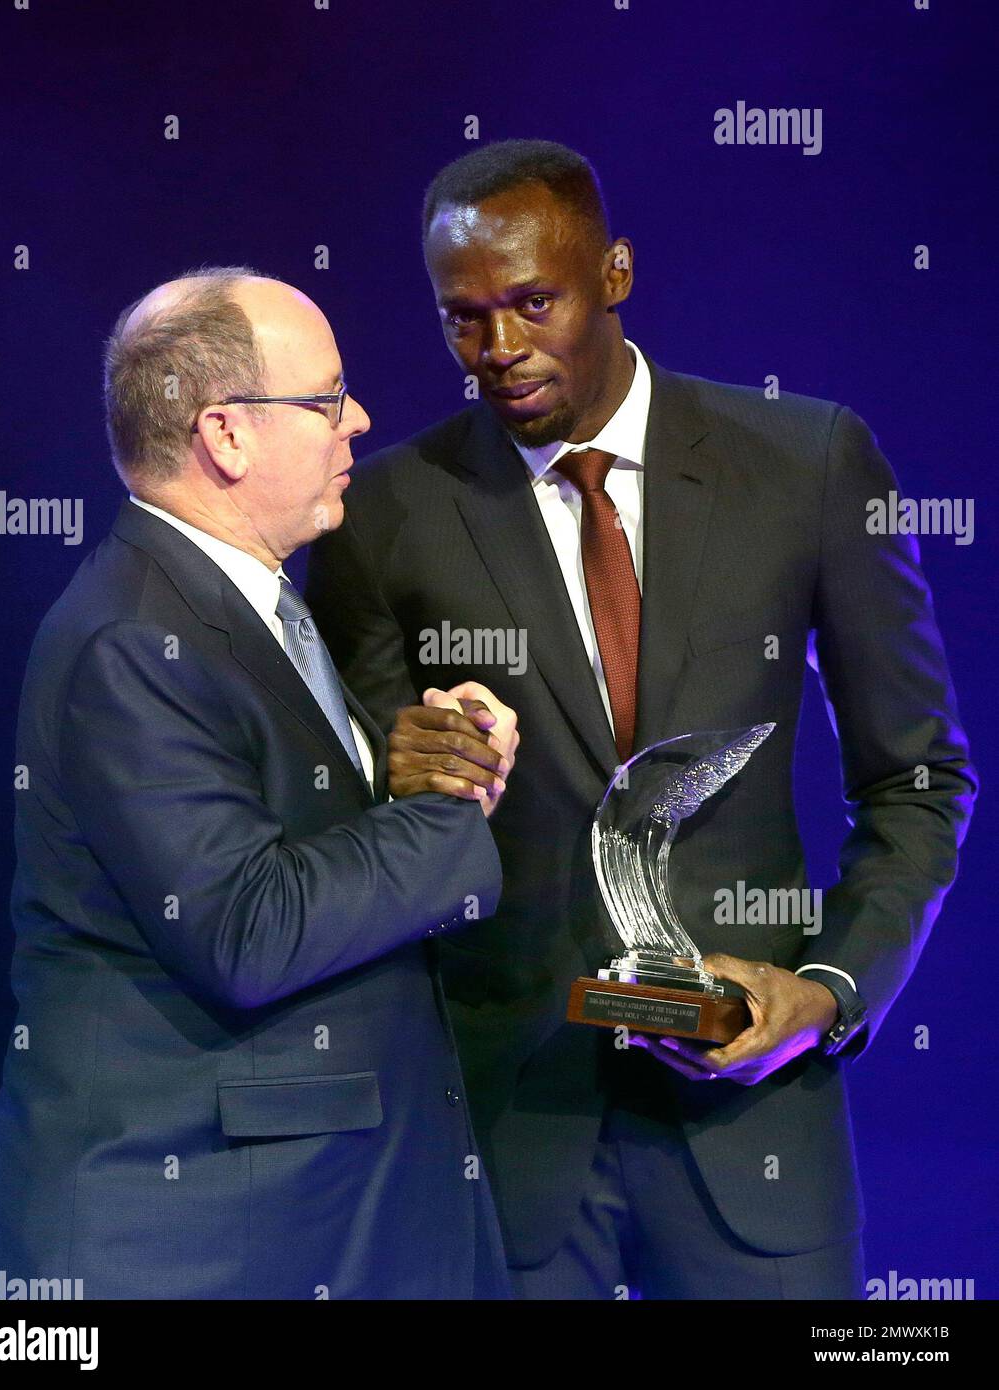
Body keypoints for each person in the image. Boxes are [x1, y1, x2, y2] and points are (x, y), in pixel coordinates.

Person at [304, 141, 977, 1299]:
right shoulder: (387, 513)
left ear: (612, 271)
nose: (499, 349)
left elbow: (918, 781)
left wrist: (820, 994)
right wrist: (384, 765)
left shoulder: (806, 462)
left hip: (754, 1134)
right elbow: (353, 815)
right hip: (509, 1134)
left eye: (532, 302)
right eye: (462, 318)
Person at [0, 267, 519, 1300]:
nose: (356, 419)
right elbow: (246, 928)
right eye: (323, 399)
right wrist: (446, 813)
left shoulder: (241, 603)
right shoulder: (132, 639)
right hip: (190, 1244)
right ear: (224, 434)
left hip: (312, 1220)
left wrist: (399, 768)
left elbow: (282, 833)